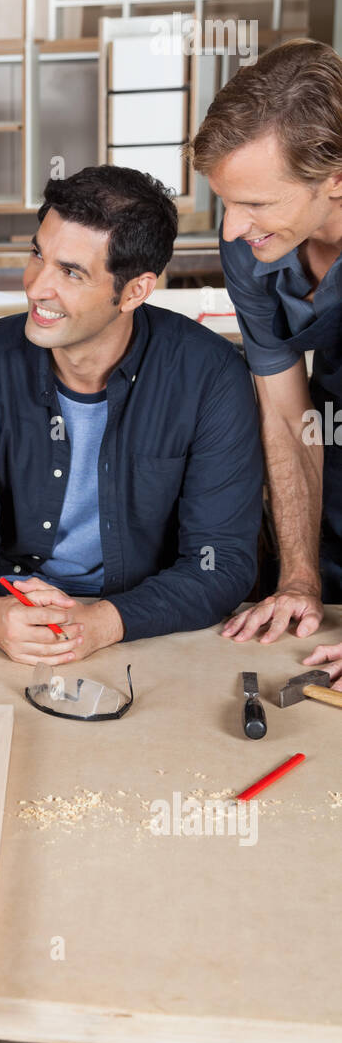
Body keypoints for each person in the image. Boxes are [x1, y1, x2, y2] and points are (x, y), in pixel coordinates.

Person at [0, 166, 263, 662]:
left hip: (143, 625)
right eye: (38, 254)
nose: (37, 288)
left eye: (71, 272)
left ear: (134, 291)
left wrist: (102, 623)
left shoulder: (211, 377)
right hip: (4, 623)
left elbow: (221, 564)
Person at [191, 38, 342, 689]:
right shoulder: (252, 245)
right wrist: (299, 580)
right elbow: (285, 411)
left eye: (256, 204)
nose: (231, 230)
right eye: (227, 200)